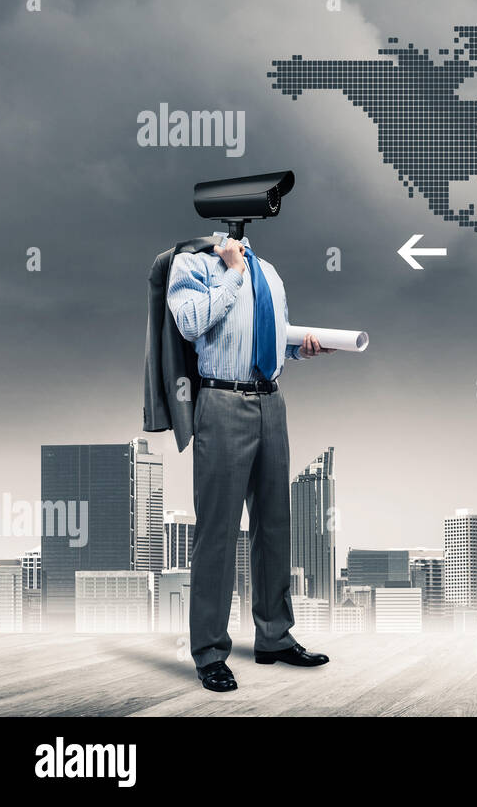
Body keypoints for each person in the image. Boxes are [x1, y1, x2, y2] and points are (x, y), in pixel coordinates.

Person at [166, 232, 333, 693]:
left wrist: (302, 347)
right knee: (218, 531)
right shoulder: (192, 266)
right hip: (221, 401)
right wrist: (234, 270)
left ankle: (275, 637)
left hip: (271, 403)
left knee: (275, 525)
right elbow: (190, 323)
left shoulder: (272, 274)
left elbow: (269, 339)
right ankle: (210, 653)